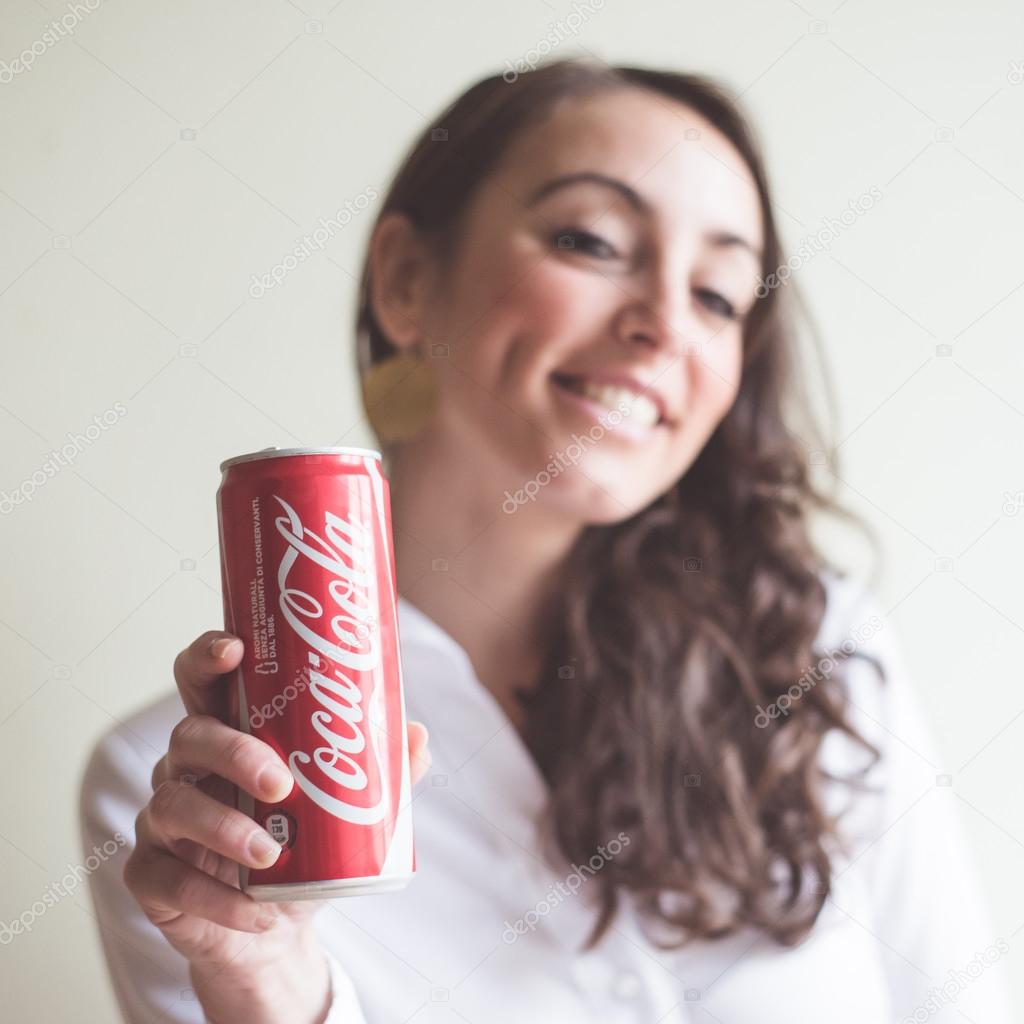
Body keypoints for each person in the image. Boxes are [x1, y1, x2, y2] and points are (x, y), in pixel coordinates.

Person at [79, 58, 1014, 1023]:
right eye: (591, 240)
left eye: (720, 296)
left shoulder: (819, 658)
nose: (662, 325)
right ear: (406, 282)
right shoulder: (186, 800)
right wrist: (262, 976)